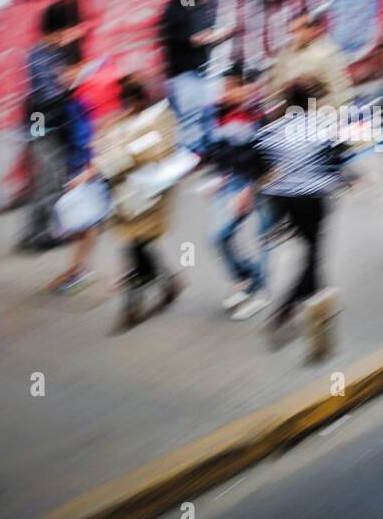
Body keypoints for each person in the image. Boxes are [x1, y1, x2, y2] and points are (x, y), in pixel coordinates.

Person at [250, 79, 348, 351]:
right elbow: (336, 159)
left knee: (311, 254)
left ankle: (322, 303)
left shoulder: (272, 132)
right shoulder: (321, 125)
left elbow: (259, 164)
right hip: (314, 200)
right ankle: (283, 313)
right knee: (313, 257)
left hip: (286, 203)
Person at [91, 75, 184, 332]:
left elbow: (157, 151)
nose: (128, 105)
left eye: (132, 100)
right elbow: (104, 148)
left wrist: (124, 154)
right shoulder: (119, 121)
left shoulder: (160, 118)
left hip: (149, 194)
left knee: (135, 246)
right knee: (136, 245)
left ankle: (132, 306)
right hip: (124, 194)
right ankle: (167, 282)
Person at [204, 62, 273, 320]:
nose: (225, 92)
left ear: (245, 88)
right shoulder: (220, 112)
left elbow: (265, 158)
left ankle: (261, 292)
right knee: (218, 236)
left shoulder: (258, 114)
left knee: (264, 238)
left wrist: (249, 190)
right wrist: (220, 177)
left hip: (261, 184)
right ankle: (248, 278)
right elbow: (220, 150)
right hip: (232, 181)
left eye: (231, 87)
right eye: (224, 88)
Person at [20, 0, 84, 251]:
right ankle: (38, 236)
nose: (67, 35)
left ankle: (36, 233)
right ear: (54, 30)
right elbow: (47, 94)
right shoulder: (37, 56)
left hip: (57, 123)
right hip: (40, 125)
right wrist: (68, 83)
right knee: (49, 179)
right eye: (64, 31)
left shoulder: (58, 52)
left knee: (51, 180)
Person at [46, 43, 100, 294]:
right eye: (59, 72)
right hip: (77, 164)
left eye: (66, 70)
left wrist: (87, 170)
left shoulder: (86, 95)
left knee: (85, 221)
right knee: (82, 220)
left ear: (80, 67)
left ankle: (78, 271)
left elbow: (93, 135)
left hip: (87, 166)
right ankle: (77, 270)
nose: (62, 76)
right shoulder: (71, 96)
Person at [161, 0, 231, 154]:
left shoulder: (198, 8)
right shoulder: (175, 9)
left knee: (208, 120)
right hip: (184, 77)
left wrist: (218, 36)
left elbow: (206, 36)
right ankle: (192, 163)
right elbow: (194, 39)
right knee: (190, 126)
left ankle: (211, 160)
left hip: (202, 74)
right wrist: (215, 36)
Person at [266, 2, 354, 112]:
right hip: (291, 114)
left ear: (313, 29)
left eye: (300, 29)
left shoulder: (327, 52)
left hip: (322, 114)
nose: (295, 35)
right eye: (292, 31)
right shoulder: (286, 53)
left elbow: (341, 91)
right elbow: (275, 89)